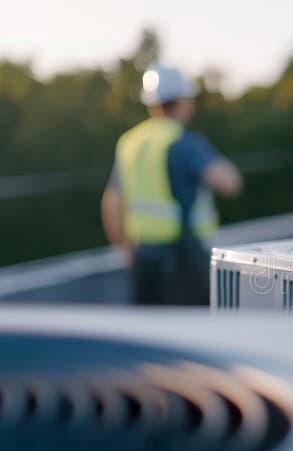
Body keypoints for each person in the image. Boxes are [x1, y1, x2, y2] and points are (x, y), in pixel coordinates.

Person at [101, 63, 242, 305]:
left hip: (143, 260)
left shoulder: (129, 142)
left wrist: (126, 251)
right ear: (182, 100)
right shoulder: (183, 141)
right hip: (183, 263)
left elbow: (111, 204)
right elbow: (230, 183)